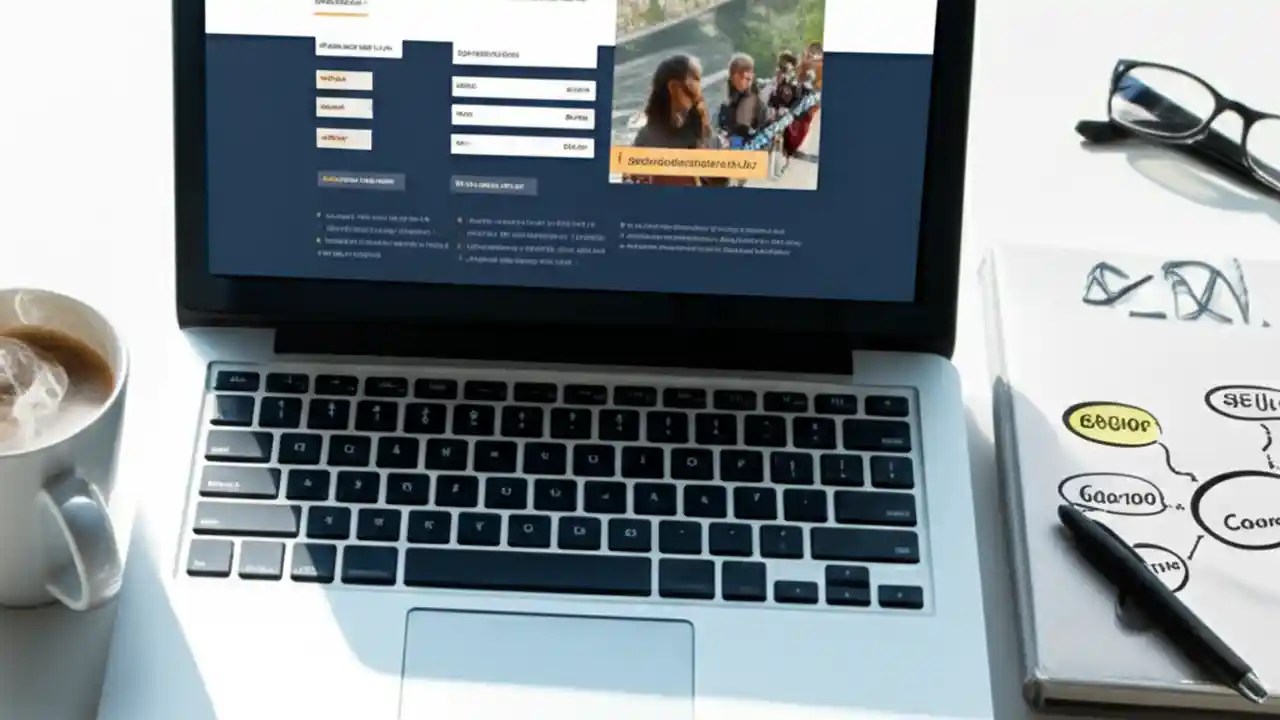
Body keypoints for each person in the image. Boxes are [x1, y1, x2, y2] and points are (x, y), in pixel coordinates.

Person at [626, 54, 726, 187]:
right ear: (674, 87)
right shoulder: (646, 138)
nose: (699, 89)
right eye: (695, 79)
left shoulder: (708, 137)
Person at [717, 53, 768, 148]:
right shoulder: (730, 92)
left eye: (749, 79)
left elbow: (745, 127)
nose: (748, 82)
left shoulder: (751, 99)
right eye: (745, 78)